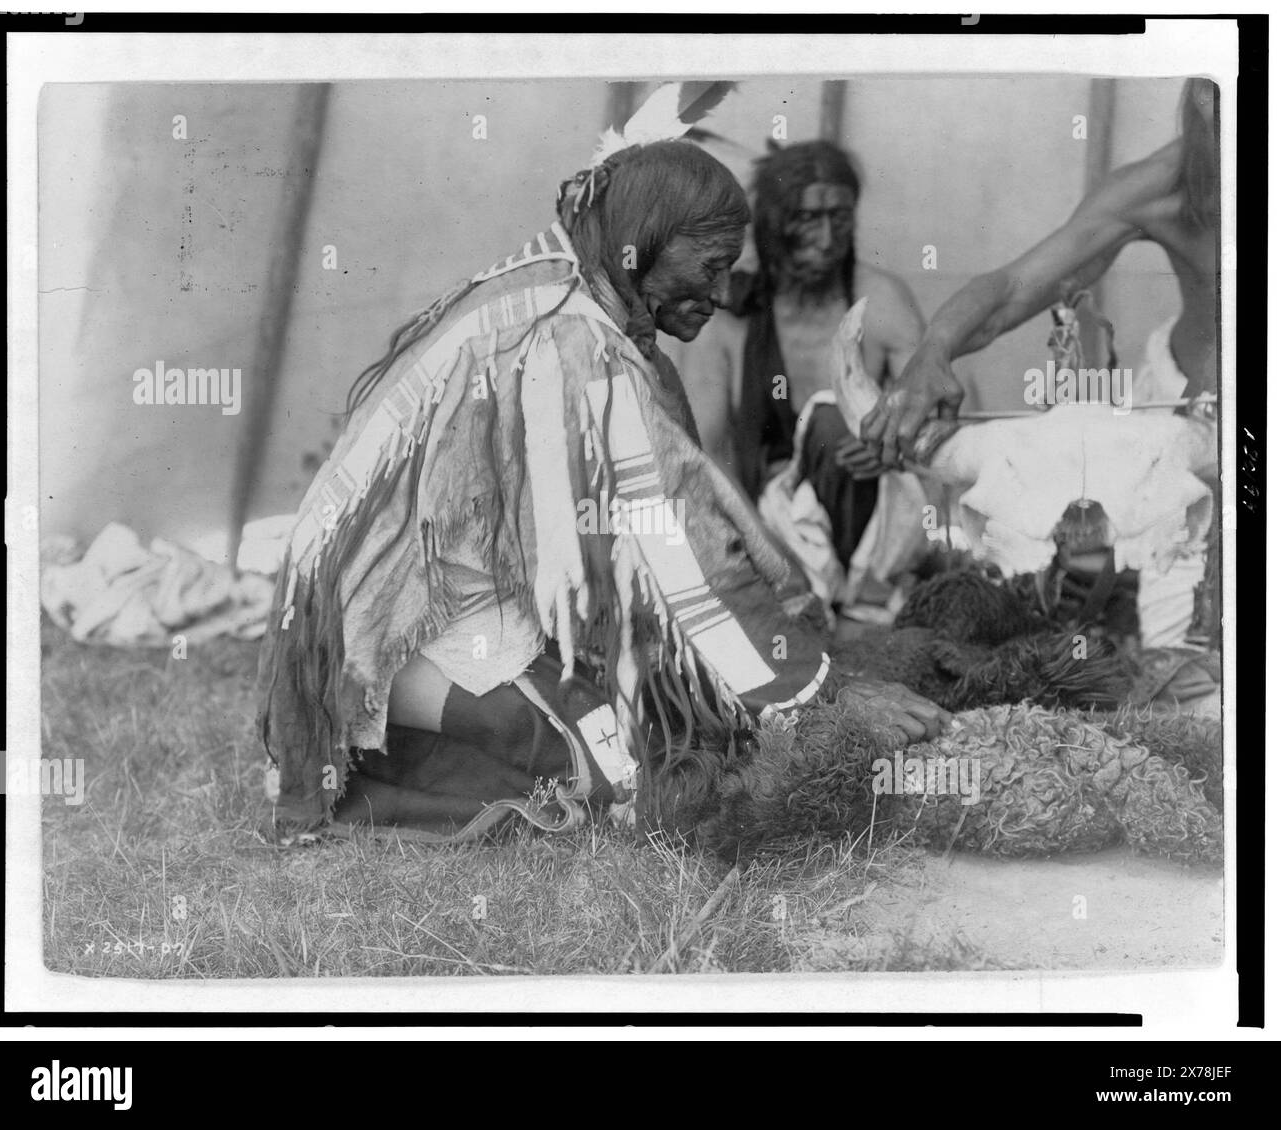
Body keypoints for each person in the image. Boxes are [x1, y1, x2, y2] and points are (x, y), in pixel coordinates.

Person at [257, 130, 947, 842]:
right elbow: (677, 546)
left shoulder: (572, 285)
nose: (719, 292)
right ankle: (366, 771)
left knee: (680, 714)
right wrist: (826, 691)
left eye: (728, 270)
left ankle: (434, 739)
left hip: (454, 601)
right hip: (385, 633)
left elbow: (662, 509)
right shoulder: (573, 338)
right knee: (626, 772)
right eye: (709, 267)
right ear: (644, 241)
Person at [861, 78, 1220, 648]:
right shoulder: (1159, 187)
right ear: (1202, 104)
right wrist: (934, 352)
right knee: (1185, 664)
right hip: (1196, 424)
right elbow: (1011, 290)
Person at [674, 140, 927, 571]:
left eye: (839, 218)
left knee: (831, 423)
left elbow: (934, 421)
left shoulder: (881, 301)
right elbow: (703, 455)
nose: (827, 240)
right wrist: (770, 557)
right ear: (772, 224)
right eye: (808, 218)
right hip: (759, 527)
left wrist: (893, 451)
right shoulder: (726, 315)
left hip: (871, 536)